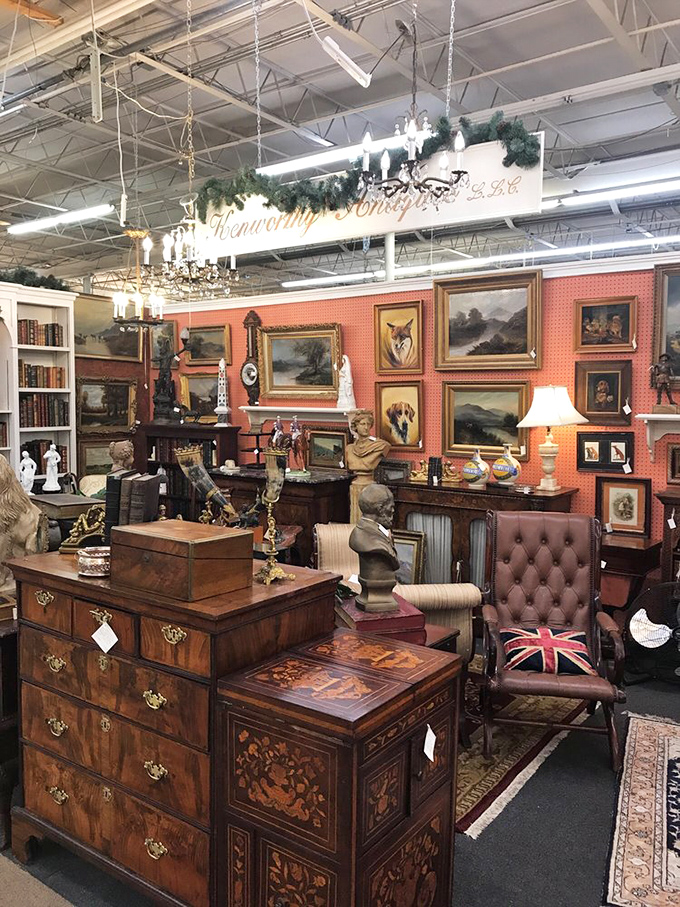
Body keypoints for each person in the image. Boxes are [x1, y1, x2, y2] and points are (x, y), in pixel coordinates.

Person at [349, 483, 400, 612]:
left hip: (383, 597)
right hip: (373, 597)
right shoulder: (363, 538)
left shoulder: (378, 533)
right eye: (391, 506)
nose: (393, 510)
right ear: (380, 508)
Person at [345, 410, 390, 523]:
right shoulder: (349, 448)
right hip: (356, 484)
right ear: (355, 426)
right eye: (362, 424)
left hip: (369, 485)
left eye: (368, 424)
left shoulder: (379, 445)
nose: (366, 427)